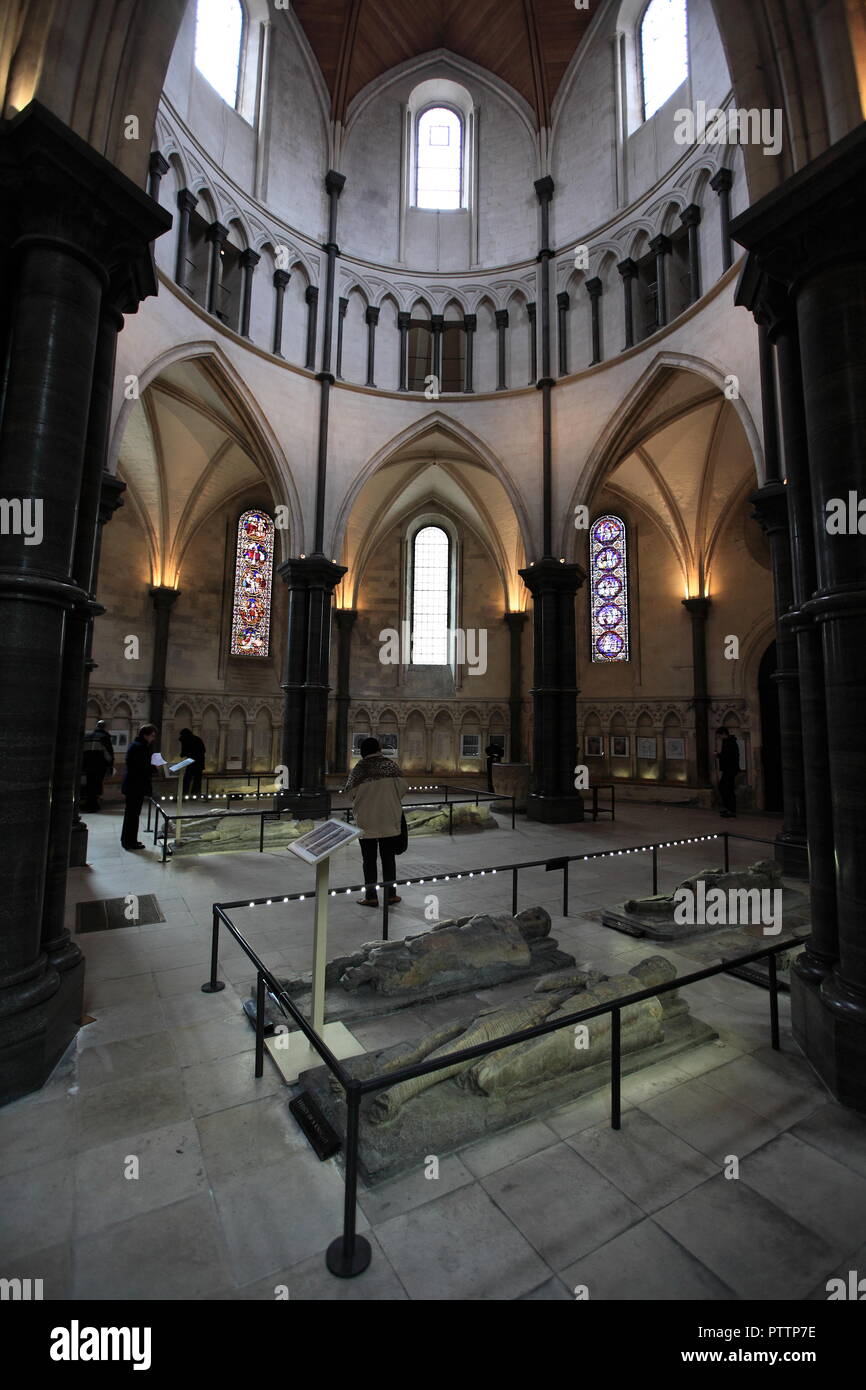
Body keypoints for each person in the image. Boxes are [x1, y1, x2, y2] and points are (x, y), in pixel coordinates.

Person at [343, 736, 408, 907]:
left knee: (369, 860)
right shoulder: (391, 766)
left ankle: (371, 897)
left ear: (363, 751)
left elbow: (350, 794)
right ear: (378, 749)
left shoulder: (359, 769)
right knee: (388, 859)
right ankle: (391, 895)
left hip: (367, 821)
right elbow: (403, 789)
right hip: (389, 819)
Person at [121, 724, 157, 850]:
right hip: (135, 786)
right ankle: (129, 842)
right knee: (132, 815)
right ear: (145, 735)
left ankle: (129, 840)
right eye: (152, 736)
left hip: (134, 785)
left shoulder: (138, 746)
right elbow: (140, 768)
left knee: (132, 815)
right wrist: (153, 768)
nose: (153, 739)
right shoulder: (140, 748)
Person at [81, 719, 114, 810]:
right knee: (97, 785)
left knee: (89, 784)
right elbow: (108, 754)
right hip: (99, 766)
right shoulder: (104, 737)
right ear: (104, 727)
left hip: (87, 765)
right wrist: (110, 765)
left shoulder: (87, 736)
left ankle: (88, 803)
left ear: (96, 726)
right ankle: (93, 805)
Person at [716, 726, 740, 818]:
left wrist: (718, 755)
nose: (719, 738)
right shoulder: (727, 742)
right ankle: (728, 808)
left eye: (719, 735)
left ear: (723, 734)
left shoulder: (730, 743)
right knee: (723, 788)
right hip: (728, 770)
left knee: (727, 789)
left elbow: (729, 757)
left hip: (730, 770)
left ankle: (731, 810)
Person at [178, 727, 206, 797]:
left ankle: (184, 794)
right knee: (196, 780)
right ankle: (195, 795)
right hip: (199, 762)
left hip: (192, 762)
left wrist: (184, 754)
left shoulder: (186, 739)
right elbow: (203, 750)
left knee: (187, 779)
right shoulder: (197, 739)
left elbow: (184, 752)